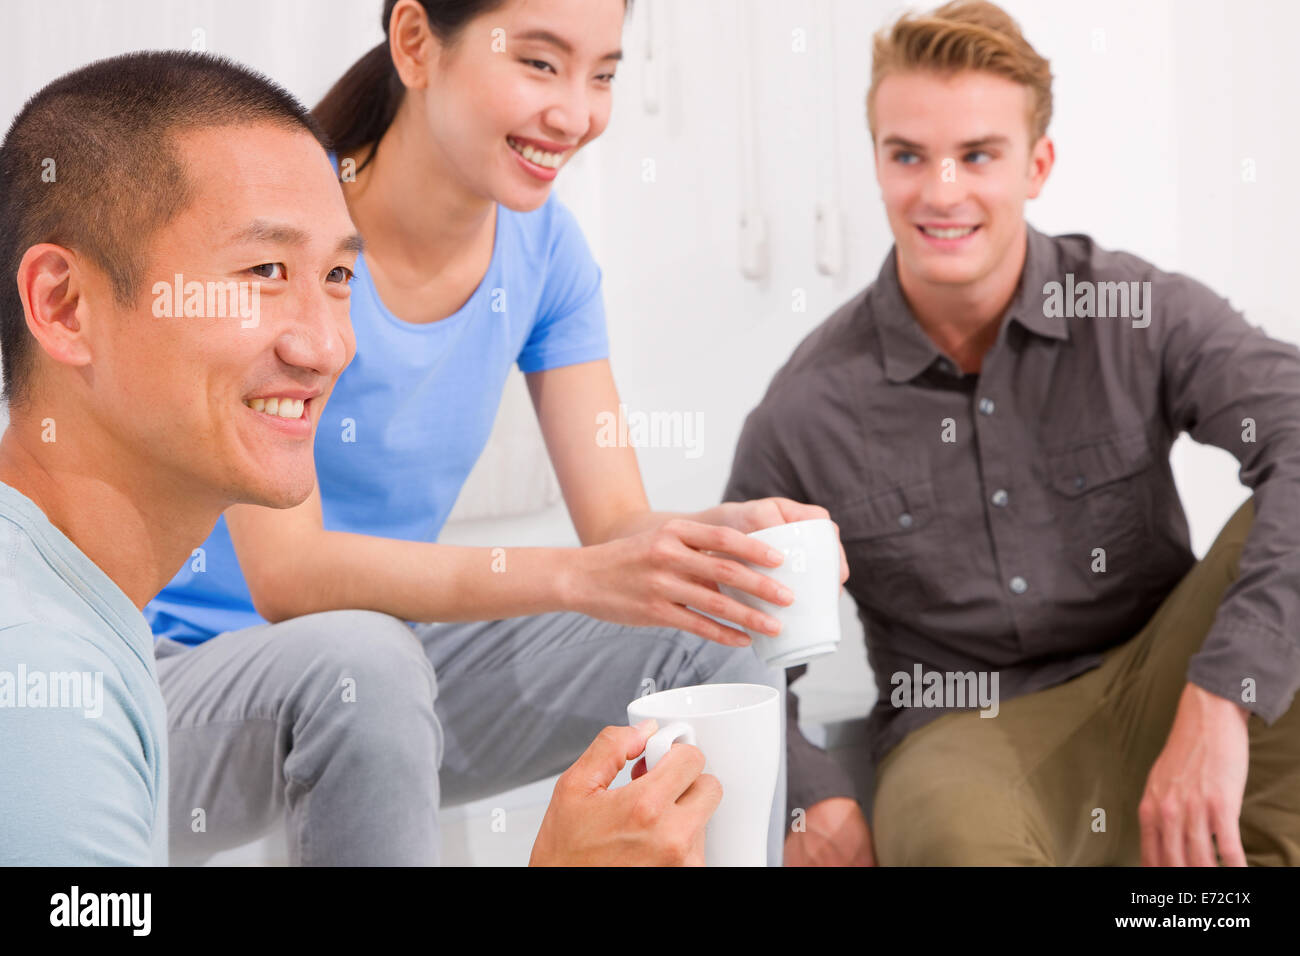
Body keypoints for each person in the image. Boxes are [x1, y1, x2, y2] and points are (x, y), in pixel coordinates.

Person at [145, 0, 846, 866]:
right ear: (415, 44)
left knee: (712, 622)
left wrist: (720, 547)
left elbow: (618, 522)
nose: (576, 112)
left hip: (385, 676)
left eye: (604, 74)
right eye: (540, 63)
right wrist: (574, 578)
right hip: (186, 681)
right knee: (366, 658)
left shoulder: (545, 252)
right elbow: (290, 577)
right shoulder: (288, 230)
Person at [0, 49, 723, 867]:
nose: (331, 346)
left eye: (341, 274)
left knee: (717, 619)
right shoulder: (37, 681)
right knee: (369, 660)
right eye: (264, 271)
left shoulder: (74, 620)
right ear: (63, 305)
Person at [726, 0, 1300, 866]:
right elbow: (736, 649)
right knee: (953, 840)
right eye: (909, 155)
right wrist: (813, 795)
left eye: (977, 156)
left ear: (1037, 165)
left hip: (1163, 681)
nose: (941, 191)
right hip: (963, 732)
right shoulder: (807, 410)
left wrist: (1223, 691)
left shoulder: (1130, 310)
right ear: (878, 165)